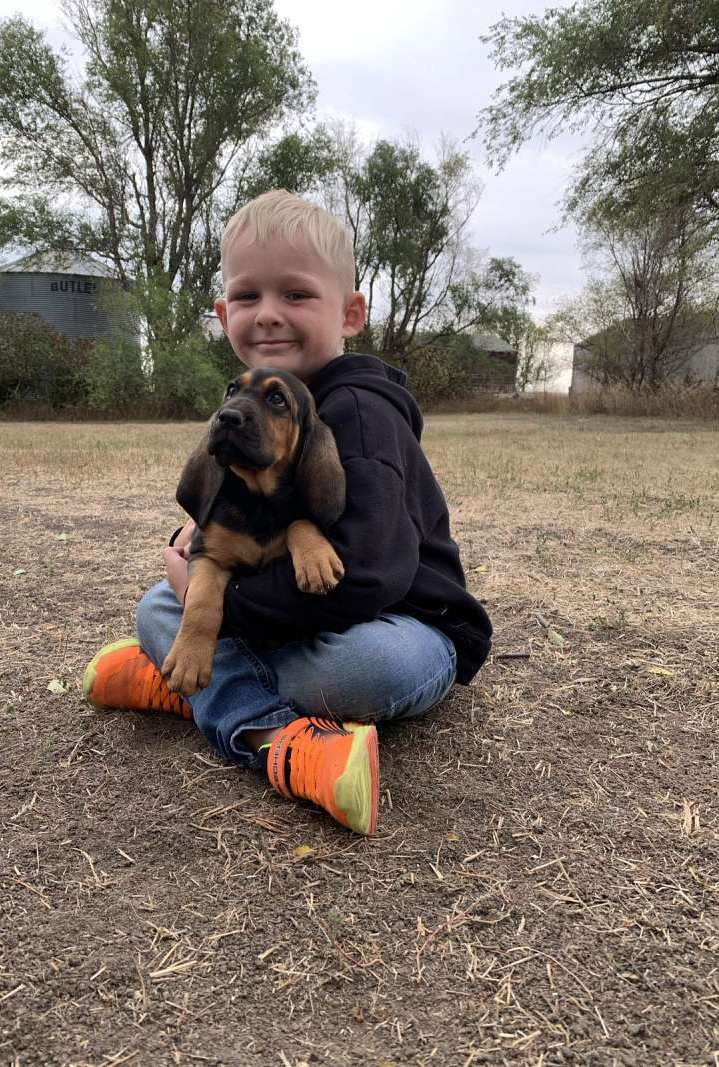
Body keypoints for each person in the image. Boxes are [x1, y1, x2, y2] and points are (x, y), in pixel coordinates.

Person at [82, 190, 492, 836]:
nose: (269, 314)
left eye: (296, 294)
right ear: (224, 314)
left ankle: (199, 690)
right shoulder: (248, 411)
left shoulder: (362, 414)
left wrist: (222, 607)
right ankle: (268, 727)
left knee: (359, 669)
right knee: (157, 607)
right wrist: (199, 564)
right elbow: (211, 521)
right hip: (294, 618)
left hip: (407, 627)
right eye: (248, 296)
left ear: (350, 312)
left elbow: (370, 575)